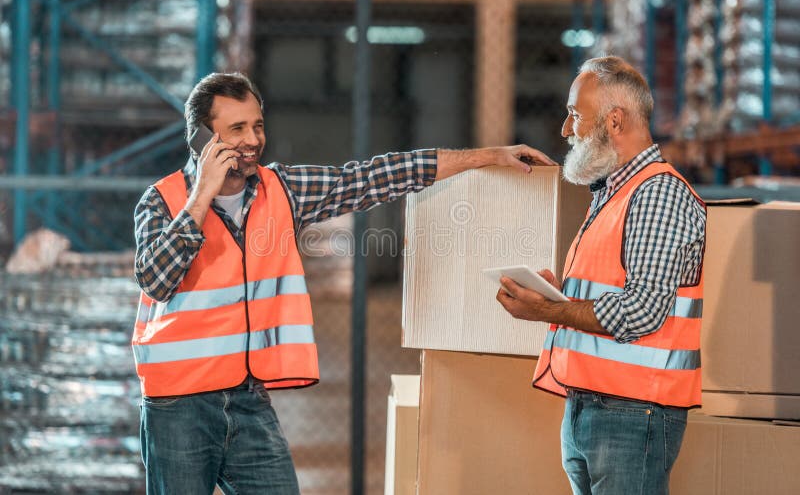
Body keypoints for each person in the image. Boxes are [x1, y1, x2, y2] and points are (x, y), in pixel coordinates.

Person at [132, 71, 555, 495]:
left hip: (247, 400)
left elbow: (373, 177)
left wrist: (490, 156)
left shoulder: (282, 190)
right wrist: (200, 197)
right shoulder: (162, 200)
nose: (253, 139)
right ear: (202, 139)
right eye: (236, 128)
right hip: (178, 407)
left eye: (257, 125)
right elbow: (156, 280)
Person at [495, 56, 706, 495]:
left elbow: (642, 312)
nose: (565, 130)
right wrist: (556, 292)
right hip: (594, 406)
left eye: (575, 115)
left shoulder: (657, 195)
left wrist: (550, 308)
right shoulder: (616, 192)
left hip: (632, 414)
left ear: (614, 120)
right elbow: (610, 288)